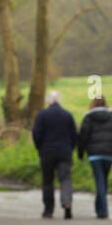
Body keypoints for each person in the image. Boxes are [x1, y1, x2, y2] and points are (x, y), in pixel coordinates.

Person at [77, 94, 112, 219]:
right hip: (109, 154)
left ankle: (102, 210)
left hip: (94, 155)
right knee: (103, 180)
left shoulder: (88, 117)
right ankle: (100, 208)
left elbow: (83, 137)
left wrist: (80, 153)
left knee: (100, 181)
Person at [31, 89, 77, 218]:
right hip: (65, 152)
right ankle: (67, 204)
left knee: (47, 181)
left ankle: (48, 209)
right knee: (65, 179)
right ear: (60, 100)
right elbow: (74, 135)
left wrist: (39, 147)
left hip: (47, 152)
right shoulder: (67, 115)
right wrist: (70, 148)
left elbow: (36, 134)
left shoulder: (42, 115)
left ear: (48, 101)